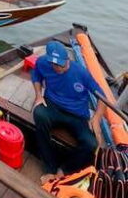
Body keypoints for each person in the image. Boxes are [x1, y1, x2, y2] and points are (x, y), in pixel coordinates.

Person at [32, 40, 104, 182]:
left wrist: (96, 118)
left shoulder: (81, 73)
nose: (59, 68)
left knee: (92, 144)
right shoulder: (42, 63)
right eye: (55, 65)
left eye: (62, 64)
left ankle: (63, 170)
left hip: (77, 115)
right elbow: (36, 75)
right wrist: (39, 96)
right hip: (53, 106)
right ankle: (50, 168)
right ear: (50, 61)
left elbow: (102, 97)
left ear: (67, 59)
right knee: (38, 114)